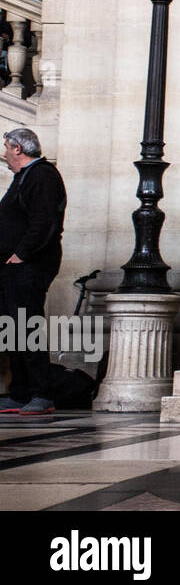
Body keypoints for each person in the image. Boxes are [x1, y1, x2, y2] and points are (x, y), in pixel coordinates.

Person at [0, 128, 67, 415]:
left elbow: (44, 221)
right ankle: (21, 391)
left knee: (26, 327)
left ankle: (42, 393)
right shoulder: (23, 177)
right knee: (11, 327)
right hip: (12, 267)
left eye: (5, 146)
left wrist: (20, 254)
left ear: (17, 148)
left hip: (29, 265)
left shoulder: (42, 175)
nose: (3, 152)